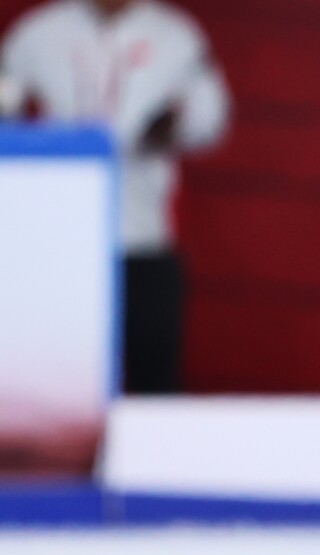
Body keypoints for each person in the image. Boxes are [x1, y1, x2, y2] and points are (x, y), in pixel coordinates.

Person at [0, 0, 229, 395]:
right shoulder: (41, 30)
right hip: (56, 240)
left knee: (152, 378)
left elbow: (211, 114)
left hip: (143, 234)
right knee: (55, 378)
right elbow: (7, 93)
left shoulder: (173, 34)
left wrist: (179, 122)